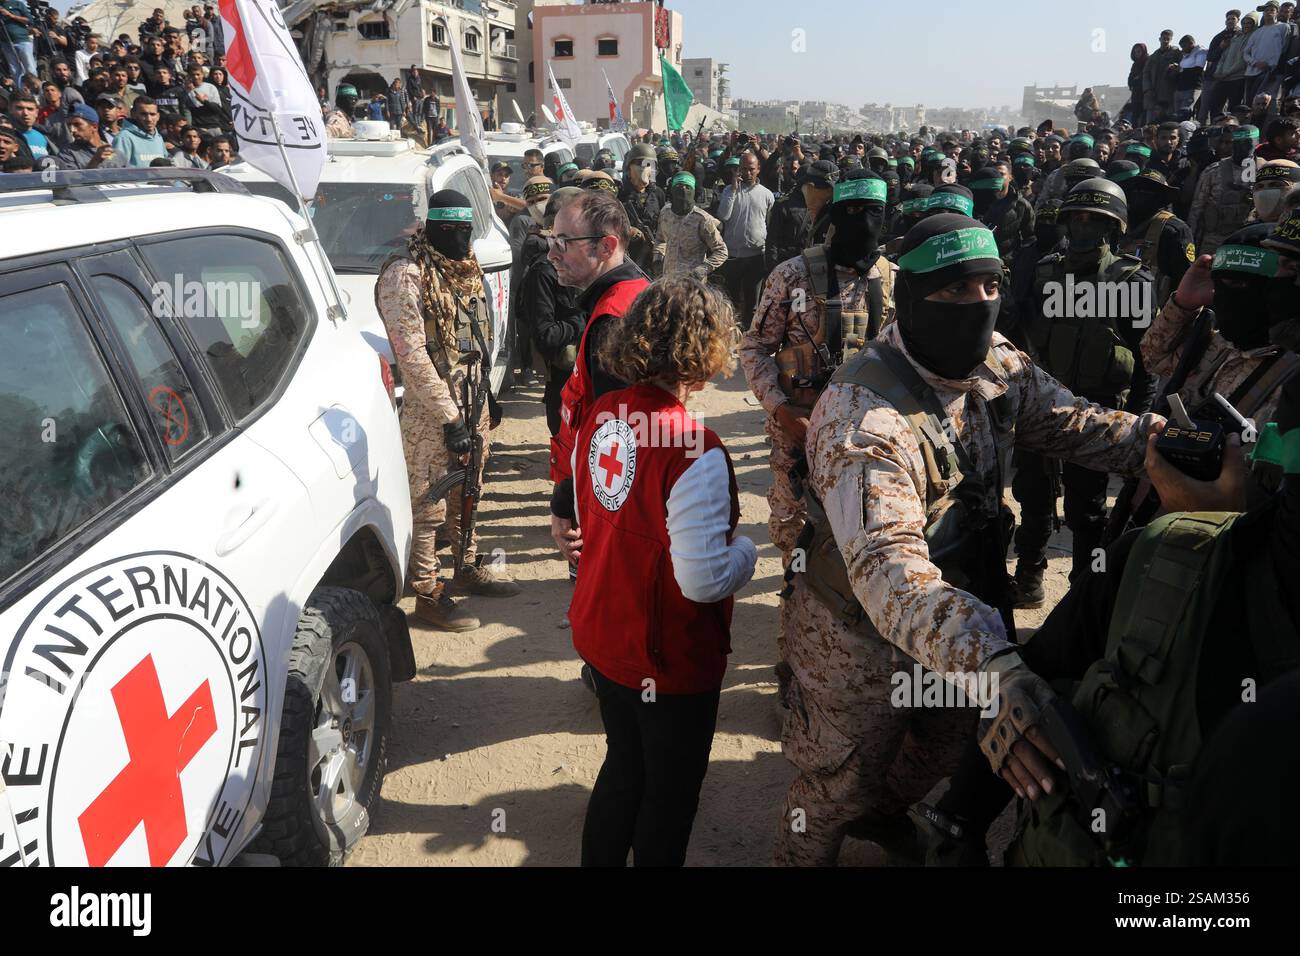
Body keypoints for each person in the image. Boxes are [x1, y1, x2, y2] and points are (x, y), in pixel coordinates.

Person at [774, 212, 1162, 867]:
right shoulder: (861, 418)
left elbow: (1075, 424)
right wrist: (995, 664)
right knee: (836, 785)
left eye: (988, 286)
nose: (978, 304)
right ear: (914, 297)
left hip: (959, 620)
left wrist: (1164, 445)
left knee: (949, 749)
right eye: (955, 290)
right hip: (860, 639)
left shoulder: (993, 364)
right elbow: (890, 576)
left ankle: (885, 815)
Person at [573, 277, 757, 868]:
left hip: (605, 636)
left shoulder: (602, 412)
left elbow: (591, 514)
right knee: (669, 798)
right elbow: (702, 580)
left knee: (623, 769)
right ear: (705, 351)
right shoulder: (692, 446)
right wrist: (747, 552)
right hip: (666, 658)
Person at [740, 171, 895, 702]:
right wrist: (781, 408)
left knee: (864, 548)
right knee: (799, 553)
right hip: (797, 442)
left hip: (867, 445)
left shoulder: (893, 279)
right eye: (854, 215)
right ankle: (795, 667)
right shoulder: (790, 276)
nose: (866, 227)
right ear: (834, 218)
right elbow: (755, 348)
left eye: (876, 215)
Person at [375, 190, 521, 633]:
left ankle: (467, 564)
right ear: (432, 229)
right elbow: (411, 353)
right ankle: (427, 591)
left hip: (473, 395)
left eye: (465, 230)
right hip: (430, 408)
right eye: (450, 231)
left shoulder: (465, 267)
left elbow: (478, 331)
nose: (460, 239)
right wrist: (448, 417)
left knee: (470, 490)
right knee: (430, 501)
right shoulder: (407, 275)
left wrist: (486, 396)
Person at [1013, 178, 1156, 600]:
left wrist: (1138, 419)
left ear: (1113, 227)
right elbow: (1020, 338)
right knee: (1033, 495)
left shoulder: (1130, 280)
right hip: (1042, 406)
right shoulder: (1043, 273)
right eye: (1076, 218)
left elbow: (1148, 359)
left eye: (1094, 219)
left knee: (1088, 509)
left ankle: (1083, 587)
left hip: (1100, 408)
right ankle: (1030, 572)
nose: (1082, 227)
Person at [546, 191, 650, 575]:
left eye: (563, 243)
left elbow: (615, 437)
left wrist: (566, 501)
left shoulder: (614, 319)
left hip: (604, 505)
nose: (551, 253)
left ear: (606, 246)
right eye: (550, 240)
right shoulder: (631, 292)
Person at [523, 186, 583, 437]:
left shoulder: (587, 264)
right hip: (565, 380)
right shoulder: (544, 271)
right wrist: (582, 320)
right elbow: (545, 335)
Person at [1113, 166, 1196, 305]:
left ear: (1160, 197)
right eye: (1137, 189)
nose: (1140, 194)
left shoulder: (1173, 230)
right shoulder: (1117, 224)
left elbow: (1185, 280)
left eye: (1148, 190)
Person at [717, 150, 774, 329]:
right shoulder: (729, 190)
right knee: (732, 300)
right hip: (733, 255)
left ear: (758, 169)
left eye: (751, 169)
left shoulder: (766, 194)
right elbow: (723, 216)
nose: (747, 173)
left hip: (756, 256)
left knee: (753, 301)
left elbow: (769, 224)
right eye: (743, 169)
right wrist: (733, 189)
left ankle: (750, 336)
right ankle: (733, 332)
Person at [1190, 123, 1260, 254]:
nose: (1242, 147)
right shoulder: (1214, 171)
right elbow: (1196, 209)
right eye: (1238, 142)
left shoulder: (1264, 170)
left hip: (1249, 241)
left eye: (1247, 142)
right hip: (1215, 240)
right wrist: (1191, 243)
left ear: (1257, 143)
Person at [653, 171, 728, 280]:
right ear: (672, 190)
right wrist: (657, 259)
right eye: (679, 186)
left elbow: (721, 251)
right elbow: (660, 239)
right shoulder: (665, 213)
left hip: (692, 285)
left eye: (687, 187)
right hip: (667, 280)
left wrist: (701, 271)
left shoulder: (702, 220)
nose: (683, 190)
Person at [764, 159, 836, 273]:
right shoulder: (784, 205)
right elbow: (772, 243)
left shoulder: (830, 208)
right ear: (811, 186)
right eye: (826, 190)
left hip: (816, 269)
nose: (829, 194)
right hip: (788, 269)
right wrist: (774, 273)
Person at [617, 142, 665, 273]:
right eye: (640, 164)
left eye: (649, 164)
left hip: (655, 253)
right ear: (629, 167)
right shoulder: (620, 194)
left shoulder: (658, 193)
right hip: (629, 255)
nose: (645, 168)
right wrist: (629, 230)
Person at [54, 103, 122, 169]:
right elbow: (71, 179)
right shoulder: (67, 154)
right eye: (69, 125)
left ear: (94, 127)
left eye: (77, 124)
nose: (72, 130)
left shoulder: (114, 153)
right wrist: (95, 161)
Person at [114, 97, 167, 167]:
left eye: (152, 114)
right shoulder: (124, 137)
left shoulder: (158, 138)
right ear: (133, 114)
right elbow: (116, 171)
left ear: (158, 116)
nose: (149, 119)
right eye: (143, 114)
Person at [1143, 30, 1182, 123]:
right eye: (1163, 39)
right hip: (1153, 93)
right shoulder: (1153, 57)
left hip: (1169, 92)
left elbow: (1182, 67)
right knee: (1151, 121)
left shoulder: (1176, 53)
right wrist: (1147, 89)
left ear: (1171, 39)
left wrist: (1176, 68)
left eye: (1167, 39)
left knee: (1169, 119)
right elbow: (1146, 73)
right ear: (1159, 39)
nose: (1165, 41)